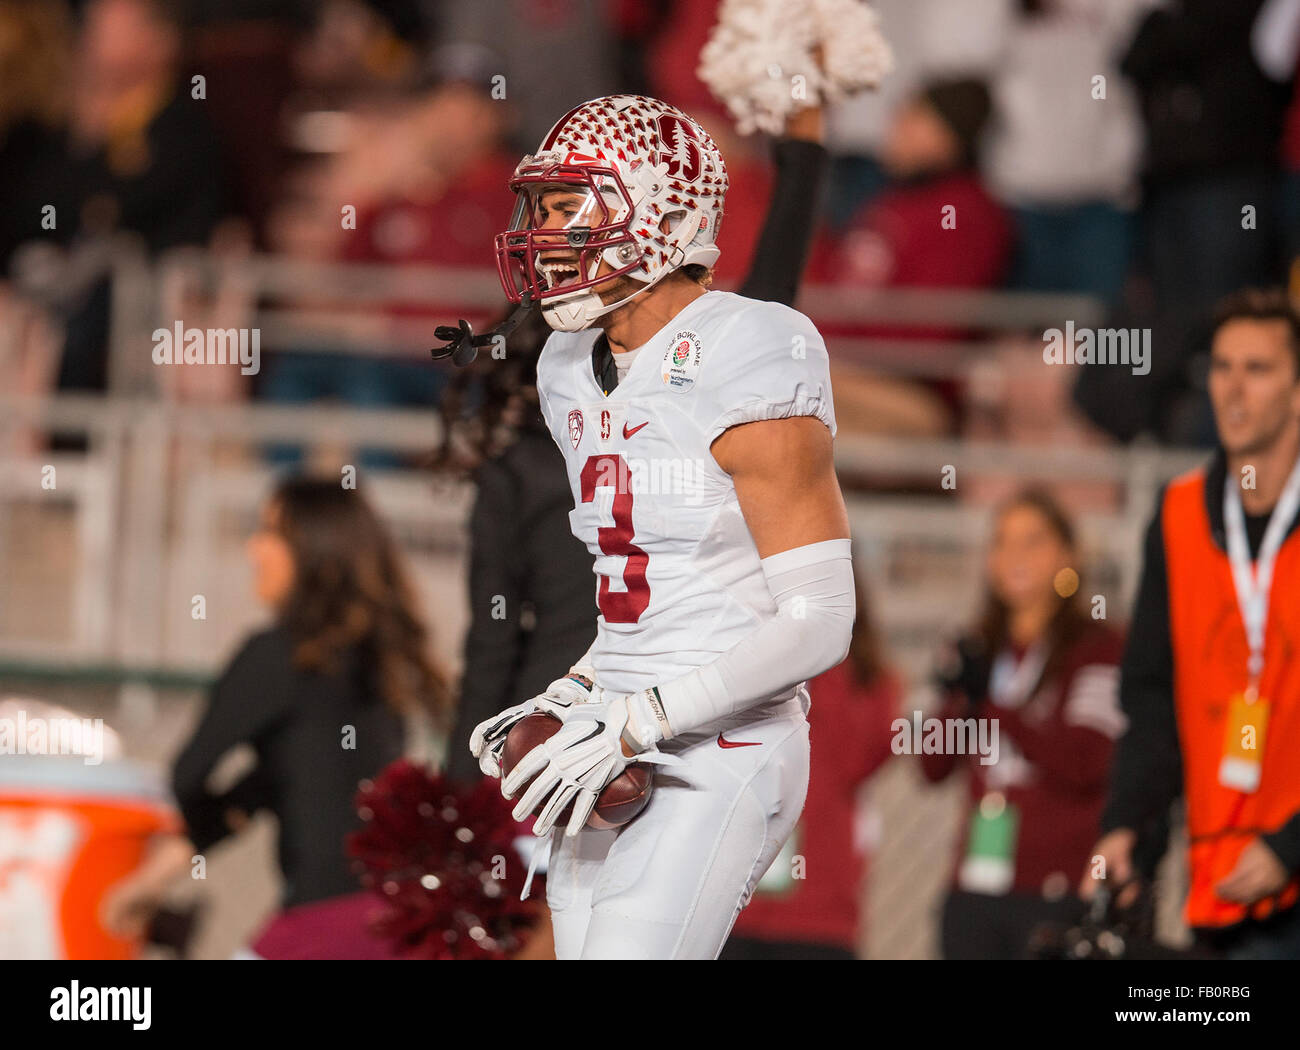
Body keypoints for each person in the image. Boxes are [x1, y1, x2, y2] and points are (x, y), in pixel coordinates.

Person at [468, 94, 855, 960]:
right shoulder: (565, 363)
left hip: (720, 745)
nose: (546, 233)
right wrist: (577, 690)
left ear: (662, 217)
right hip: (610, 737)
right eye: (543, 207)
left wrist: (639, 719)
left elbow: (822, 620)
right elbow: (640, 595)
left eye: (572, 207)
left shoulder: (753, 344)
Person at [1085, 289, 1300, 959]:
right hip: (1223, 880)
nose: (1233, 390)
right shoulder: (1177, 516)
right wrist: (1130, 827)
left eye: (1258, 369)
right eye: (1222, 367)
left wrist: (1292, 846)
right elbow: (1150, 700)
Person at [165, 476, 449, 958]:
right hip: (404, 922)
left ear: (313, 551)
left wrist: (197, 830)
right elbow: (285, 779)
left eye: (270, 532)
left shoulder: (275, 654)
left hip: (323, 924)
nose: (254, 548)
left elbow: (185, 776)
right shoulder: (377, 657)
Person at [922, 489, 1125, 959]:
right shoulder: (979, 646)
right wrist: (957, 696)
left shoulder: (1099, 646)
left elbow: (1085, 761)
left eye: (1033, 541)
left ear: (1067, 555)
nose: (1014, 555)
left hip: (1055, 888)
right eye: (1003, 542)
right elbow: (931, 767)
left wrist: (991, 704)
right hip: (974, 884)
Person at [721, 566, 900, 960]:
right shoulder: (738, 665)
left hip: (820, 917)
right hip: (729, 908)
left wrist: (820, 653)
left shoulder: (871, 682)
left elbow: (855, 760)